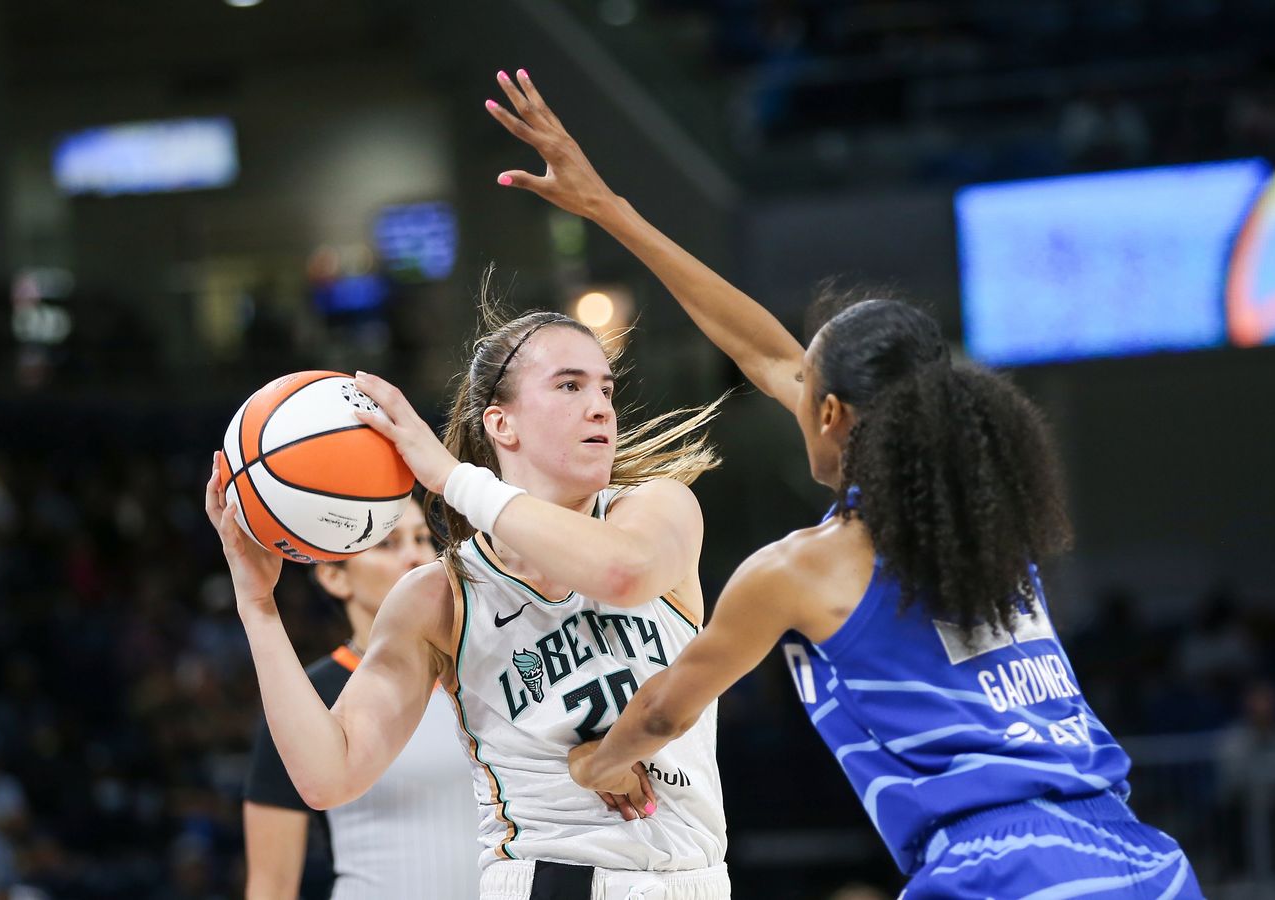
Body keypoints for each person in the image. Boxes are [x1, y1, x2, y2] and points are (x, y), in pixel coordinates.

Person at [486, 69, 1202, 897]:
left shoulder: (800, 569)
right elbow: (768, 355)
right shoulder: (987, 525)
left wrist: (595, 763)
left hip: (1003, 872)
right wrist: (610, 210)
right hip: (1138, 857)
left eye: (806, 392)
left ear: (832, 416)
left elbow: (660, 715)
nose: (788, 389)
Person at [207, 299, 730, 900]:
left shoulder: (657, 509)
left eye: (606, 391)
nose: (600, 408)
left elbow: (622, 572)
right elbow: (329, 775)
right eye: (569, 385)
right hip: (548, 876)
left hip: (697, 879)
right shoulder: (441, 595)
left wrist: (453, 478)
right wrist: (258, 606)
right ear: (501, 424)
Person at [241, 495, 479, 900]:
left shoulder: (487, 670)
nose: (414, 556)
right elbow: (271, 885)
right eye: (387, 544)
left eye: (423, 539)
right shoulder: (308, 695)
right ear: (334, 576)